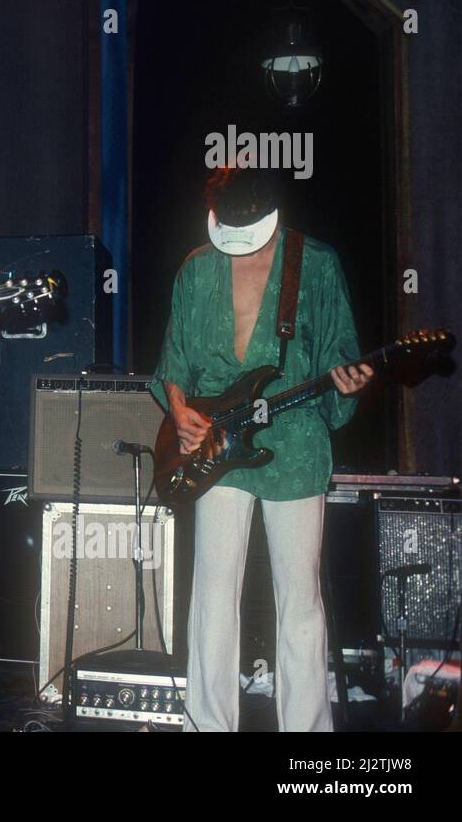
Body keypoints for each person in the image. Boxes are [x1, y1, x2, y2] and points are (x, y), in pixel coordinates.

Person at [149, 165, 373, 732]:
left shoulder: (316, 264)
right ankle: (208, 725)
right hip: (217, 446)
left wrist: (348, 382)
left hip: (294, 444)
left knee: (300, 603)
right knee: (213, 595)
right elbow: (174, 361)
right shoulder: (197, 268)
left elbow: (340, 352)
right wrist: (179, 411)